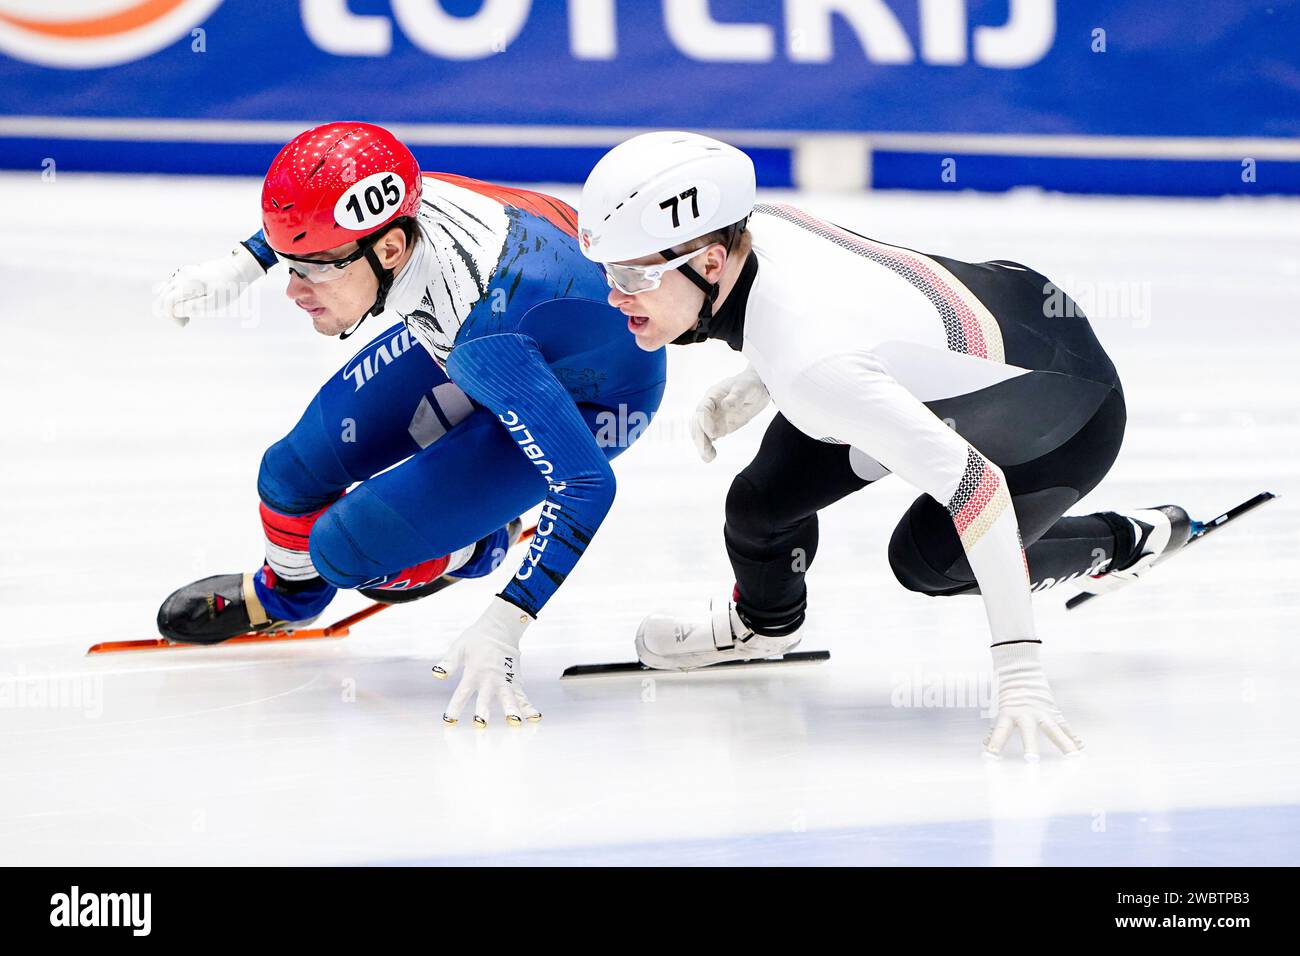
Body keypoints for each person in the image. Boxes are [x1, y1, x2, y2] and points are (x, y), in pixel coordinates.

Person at [577, 131, 1194, 759]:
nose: (614, 295)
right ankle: (765, 627)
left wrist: (1020, 675)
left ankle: (1123, 539)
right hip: (1007, 318)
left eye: (633, 274)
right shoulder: (761, 225)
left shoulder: (816, 369)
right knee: (760, 505)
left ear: (710, 263)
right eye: (608, 272)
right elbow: (856, 306)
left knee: (929, 562)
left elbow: (977, 488)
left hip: (1062, 412)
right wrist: (756, 376)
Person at [155, 122, 665, 726]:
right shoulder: (406, 201)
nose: (293, 290)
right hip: (506, 335)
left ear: (390, 250)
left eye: (313, 269)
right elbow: (311, 217)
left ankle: (480, 544)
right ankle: (286, 597)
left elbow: (585, 487)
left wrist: (508, 620)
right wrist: (239, 267)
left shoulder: (479, 331)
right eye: (289, 265)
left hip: (587, 398)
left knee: (346, 551)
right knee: (289, 474)